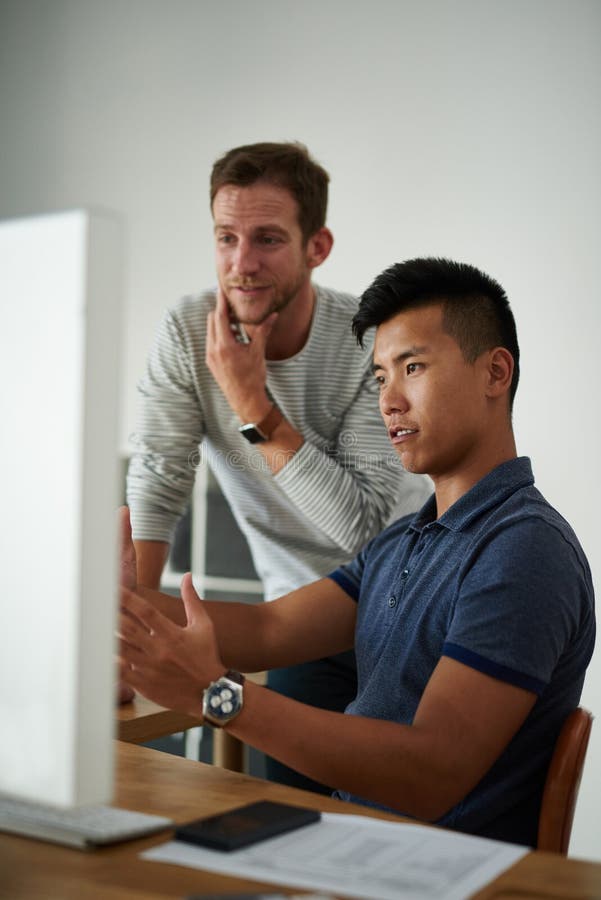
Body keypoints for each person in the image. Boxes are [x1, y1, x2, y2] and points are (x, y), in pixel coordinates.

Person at [119, 257, 595, 846]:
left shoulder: (523, 551)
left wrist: (216, 696)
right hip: (357, 852)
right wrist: (120, 604)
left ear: (495, 373)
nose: (389, 400)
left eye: (412, 367)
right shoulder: (402, 543)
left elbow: (430, 773)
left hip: (442, 878)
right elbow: (269, 630)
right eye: (378, 377)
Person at [125, 142, 429, 791]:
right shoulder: (187, 331)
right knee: (282, 817)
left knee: (393, 814)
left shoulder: (366, 341)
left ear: (316, 246)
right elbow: (159, 473)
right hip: (292, 625)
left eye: (266, 239)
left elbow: (363, 531)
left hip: (399, 605)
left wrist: (251, 404)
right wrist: (134, 632)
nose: (241, 263)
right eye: (225, 237)